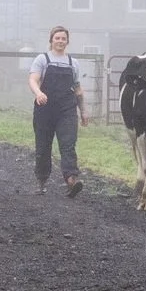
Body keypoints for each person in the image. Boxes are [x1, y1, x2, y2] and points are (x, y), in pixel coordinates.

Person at [28, 26, 87, 197]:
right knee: (43, 147)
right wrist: (38, 93)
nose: (60, 41)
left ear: (67, 41)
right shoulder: (42, 59)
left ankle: (71, 180)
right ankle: (41, 181)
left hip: (66, 110)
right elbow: (33, 79)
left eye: (63, 39)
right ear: (51, 40)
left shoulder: (73, 63)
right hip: (45, 109)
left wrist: (83, 111)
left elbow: (78, 89)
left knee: (68, 145)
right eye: (57, 38)